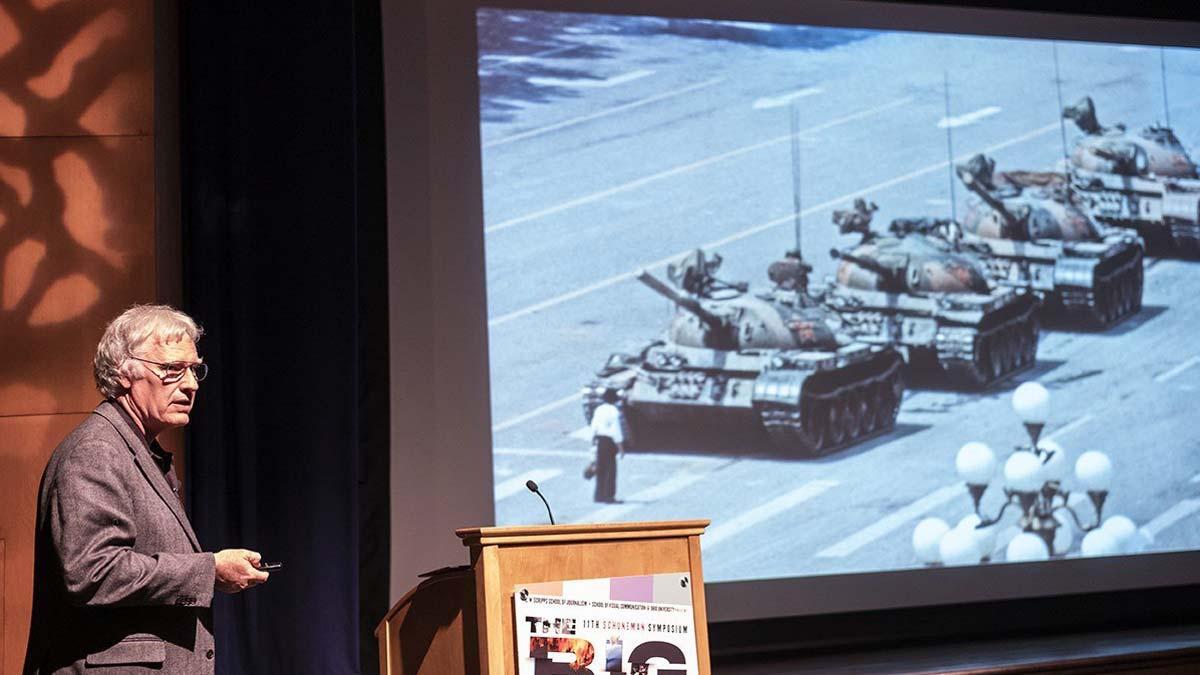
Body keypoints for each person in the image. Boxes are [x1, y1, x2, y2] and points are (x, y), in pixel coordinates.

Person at [23, 305, 269, 675]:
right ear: (125, 373)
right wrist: (209, 570)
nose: (191, 384)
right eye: (172, 370)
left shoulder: (135, 449)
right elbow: (92, 571)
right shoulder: (96, 451)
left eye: (194, 369)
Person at [586, 390, 626, 503]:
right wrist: (621, 447)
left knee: (601, 469)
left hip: (600, 440)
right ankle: (609, 496)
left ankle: (598, 496)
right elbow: (616, 430)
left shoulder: (599, 409)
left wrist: (593, 440)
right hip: (610, 442)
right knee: (611, 469)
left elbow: (593, 426)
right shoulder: (614, 411)